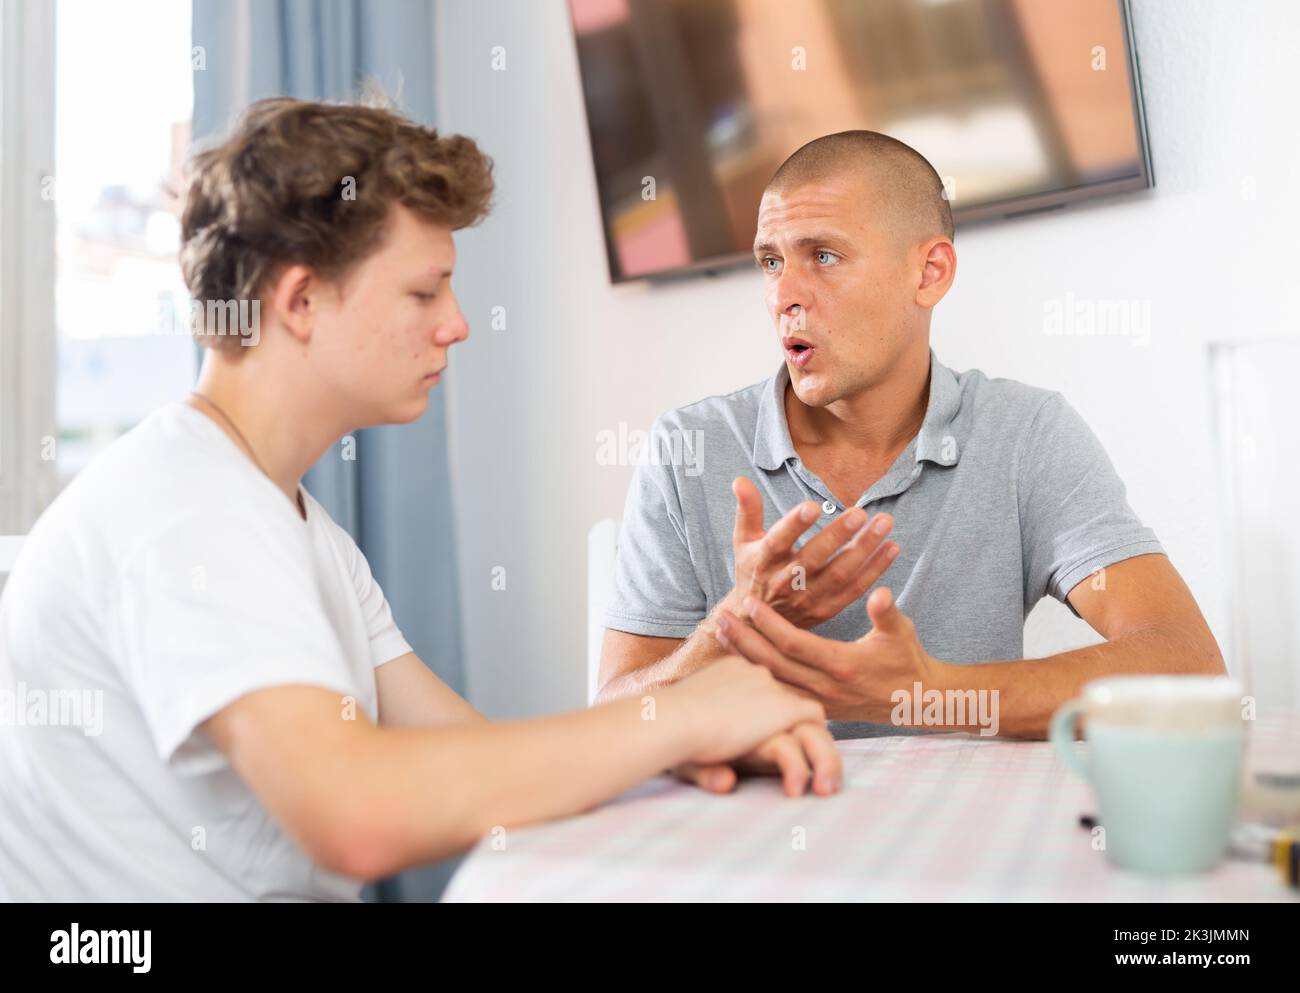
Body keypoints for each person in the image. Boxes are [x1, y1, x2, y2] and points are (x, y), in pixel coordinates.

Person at [0, 98, 841, 902]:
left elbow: (468, 756)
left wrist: (678, 738)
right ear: (299, 301)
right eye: (423, 290)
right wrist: (682, 720)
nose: (458, 323)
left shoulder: (293, 525)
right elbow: (355, 817)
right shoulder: (186, 510)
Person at [597, 130, 1224, 749]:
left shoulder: (1025, 434)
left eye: (823, 256)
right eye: (771, 261)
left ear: (930, 272)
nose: (785, 295)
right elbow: (614, 718)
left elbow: (1188, 664)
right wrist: (738, 621)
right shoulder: (688, 448)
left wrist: (929, 692)